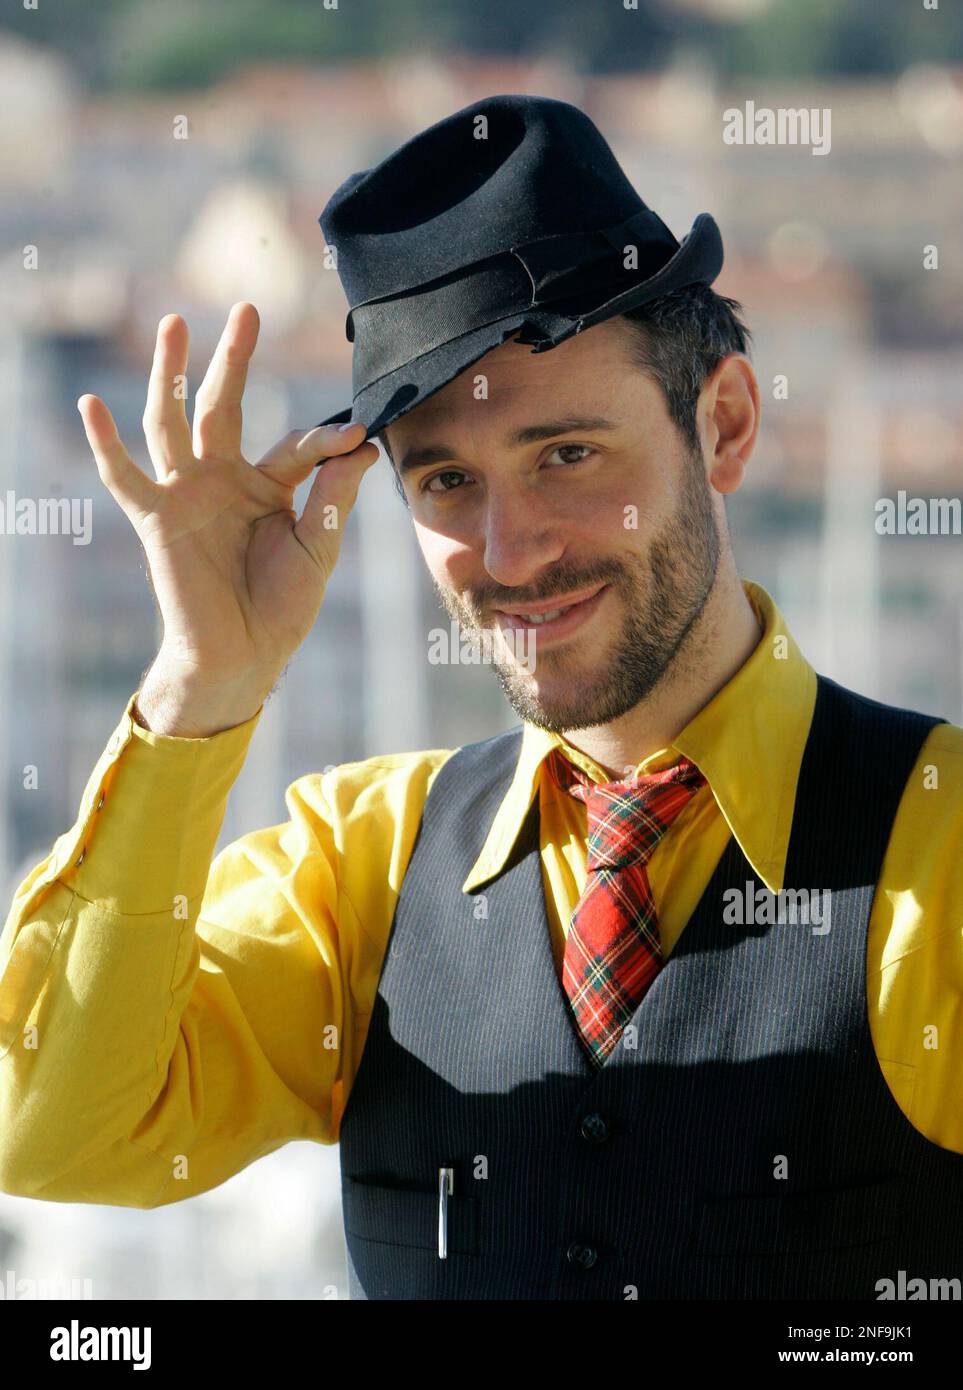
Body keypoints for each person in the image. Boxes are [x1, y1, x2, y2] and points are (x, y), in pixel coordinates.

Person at [1, 94, 961, 1302]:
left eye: (568, 455)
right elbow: (56, 1131)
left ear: (722, 424)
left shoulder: (945, 844)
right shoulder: (359, 869)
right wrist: (203, 689)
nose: (509, 553)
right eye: (448, 480)